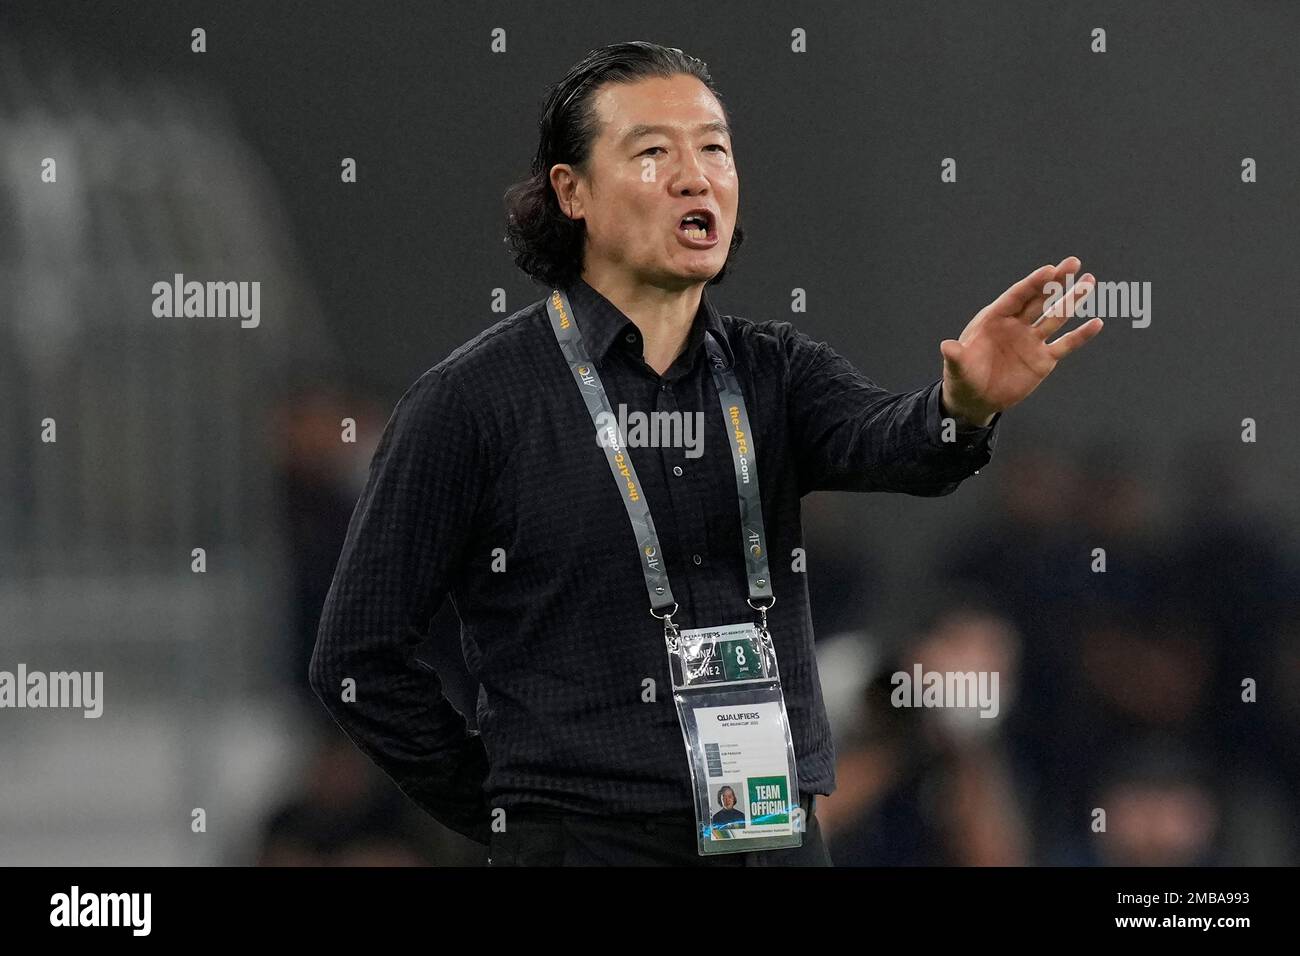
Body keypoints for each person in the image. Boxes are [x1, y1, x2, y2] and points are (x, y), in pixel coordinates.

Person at [308, 40, 1103, 867]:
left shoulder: (776, 372)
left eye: (714, 148)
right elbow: (356, 658)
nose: (696, 175)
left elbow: (897, 446)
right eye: (653, 152)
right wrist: (510, 809)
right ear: (570, 191)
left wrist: (961, 404)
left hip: (773, 838)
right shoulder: (471, 403)